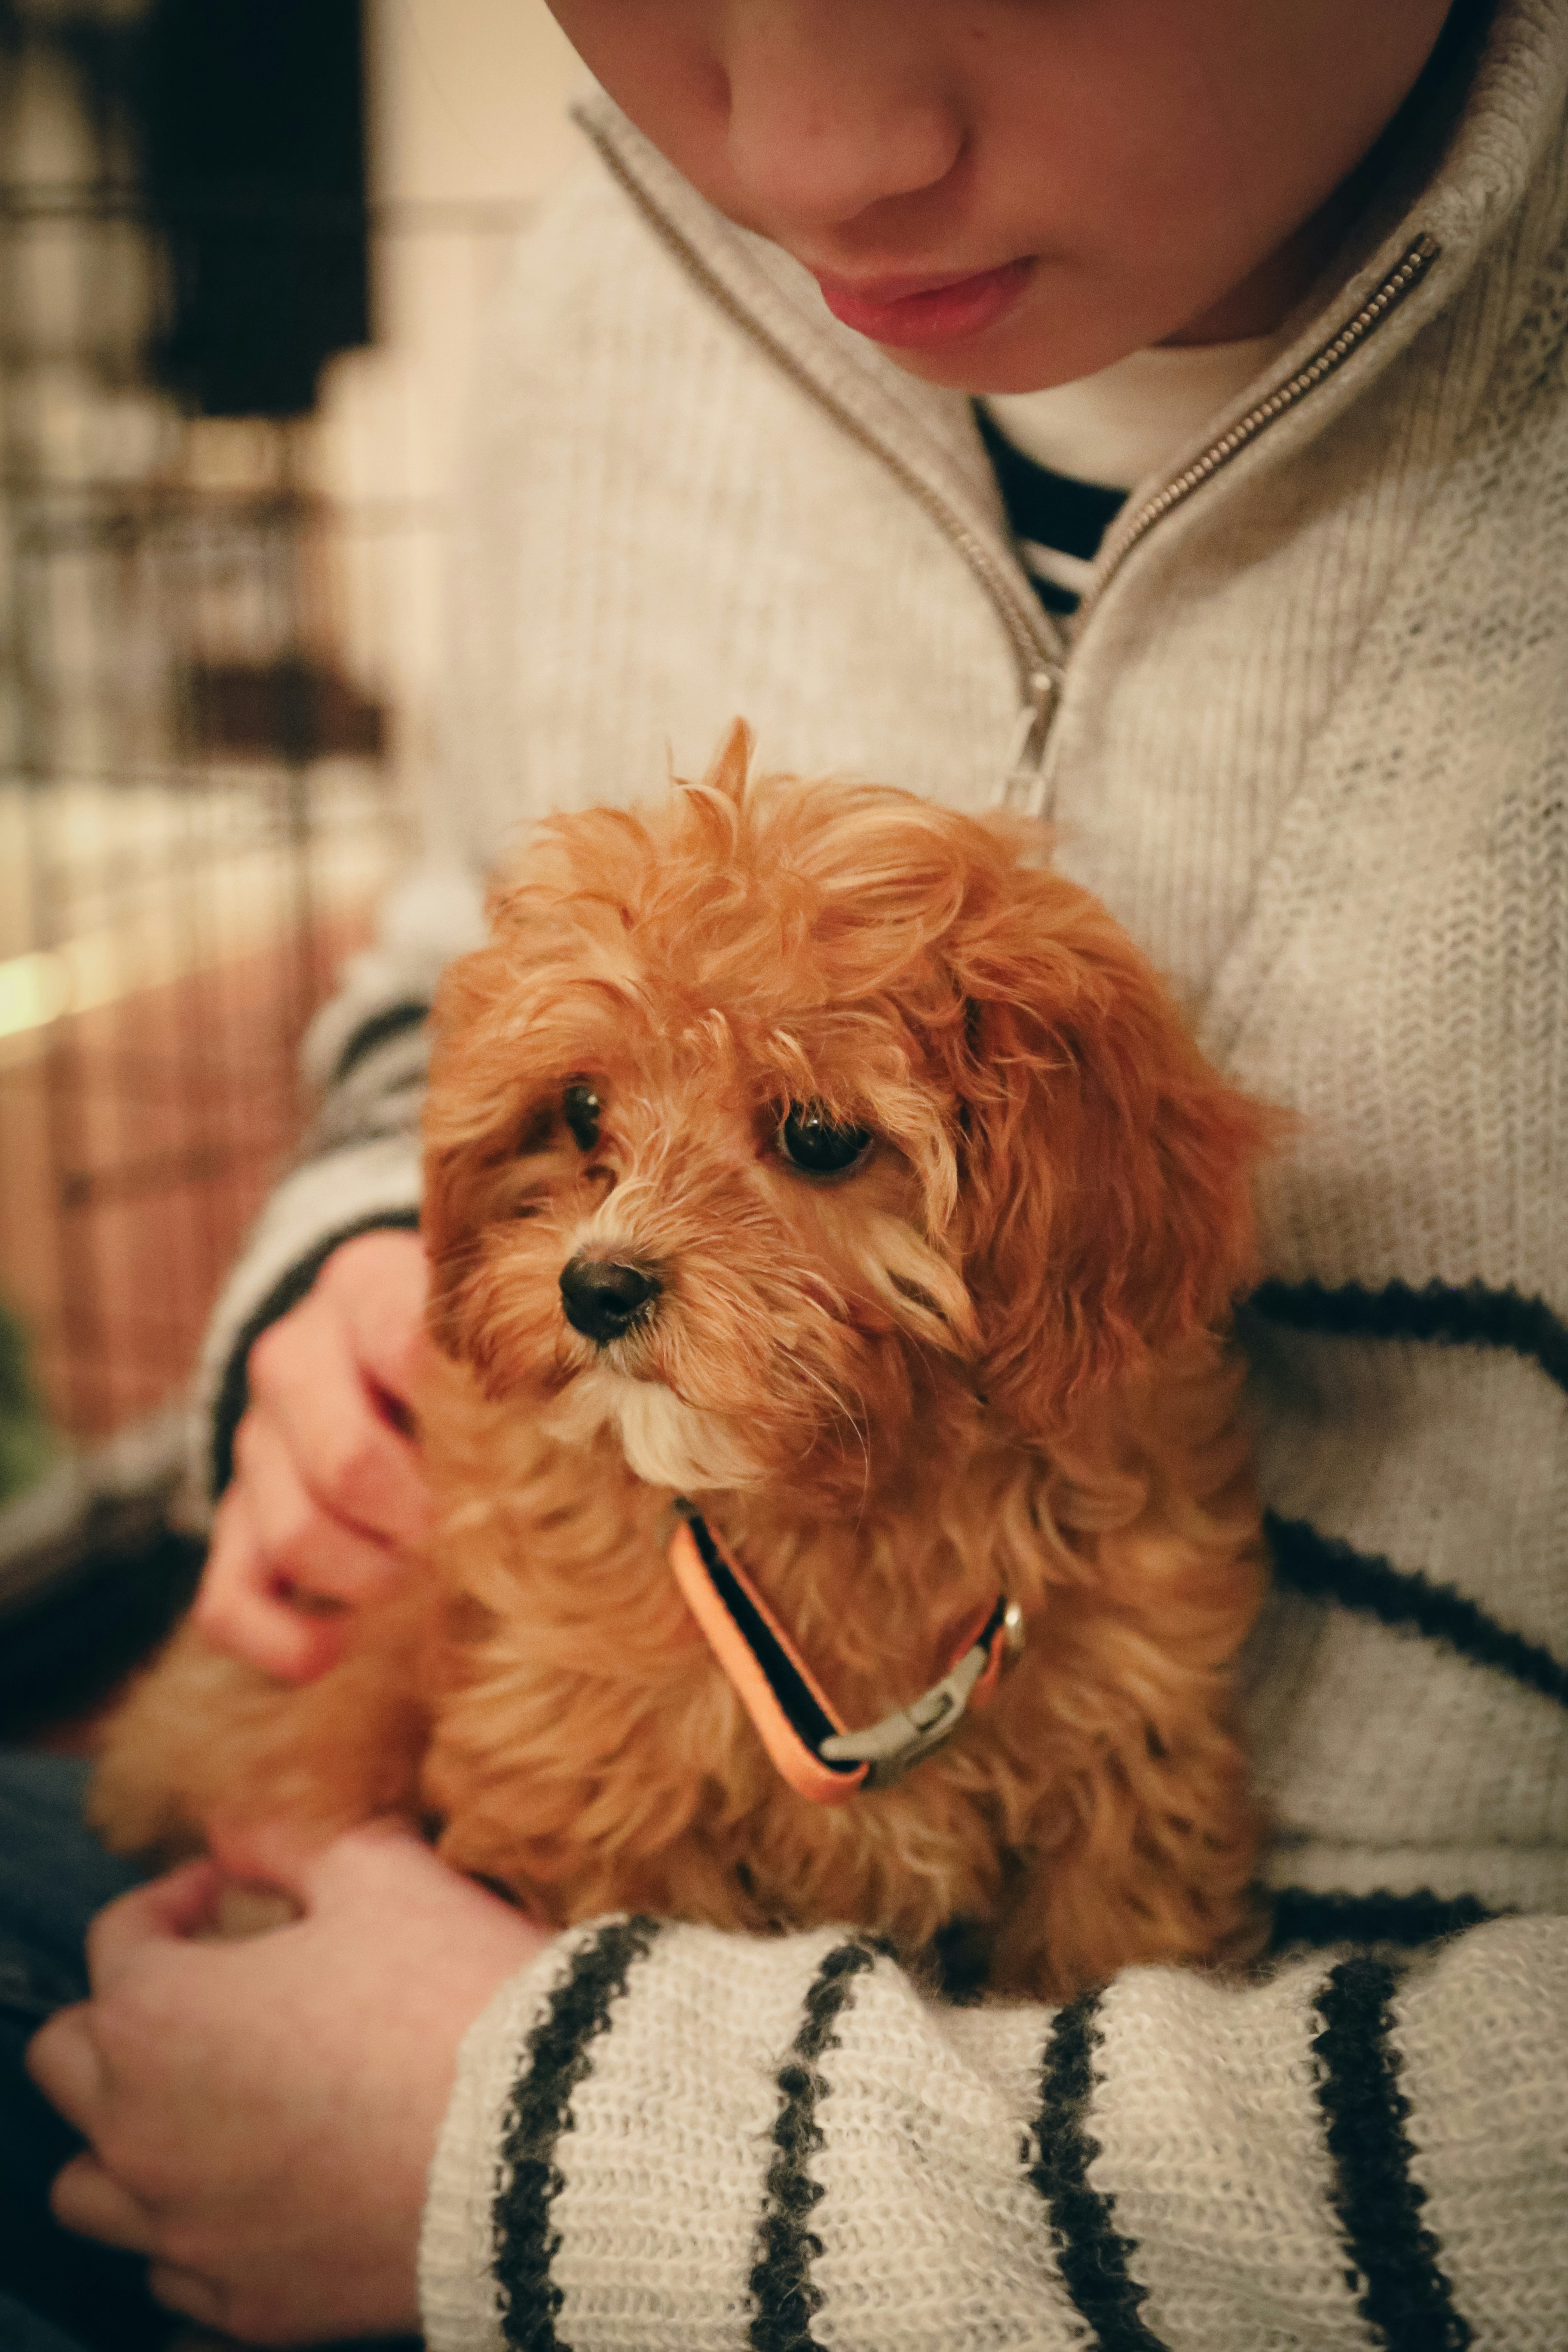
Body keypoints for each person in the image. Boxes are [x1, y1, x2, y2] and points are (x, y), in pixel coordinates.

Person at [11, 0, 1568, 2343]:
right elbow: (471, 975)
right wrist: (365, 1248)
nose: (823, 151)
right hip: (411, 1944)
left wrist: (565, 2163)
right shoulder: (614, 269)